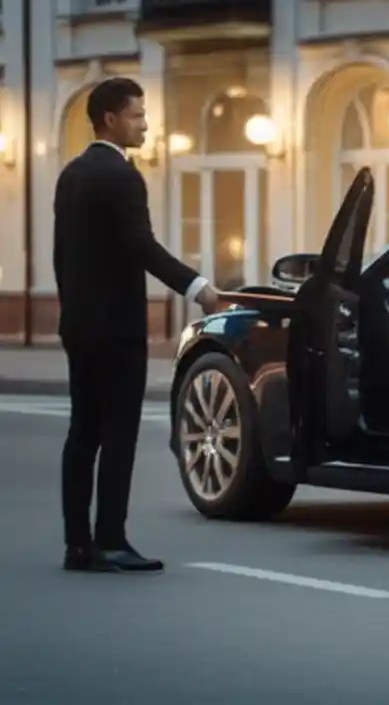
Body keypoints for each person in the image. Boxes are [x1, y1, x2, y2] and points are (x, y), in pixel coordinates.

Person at [54, 77, 221, 573]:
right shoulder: (123, 177)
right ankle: (110, 540)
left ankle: (77, 545)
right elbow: (141, 247)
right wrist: (199, 289)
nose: (145, 124)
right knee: (119, 433)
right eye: (136, 116)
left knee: (82, 432)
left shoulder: (71, 174)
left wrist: (73, 311)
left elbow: (63, 255)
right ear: (110, 119)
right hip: (118, 330)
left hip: (79, 326)